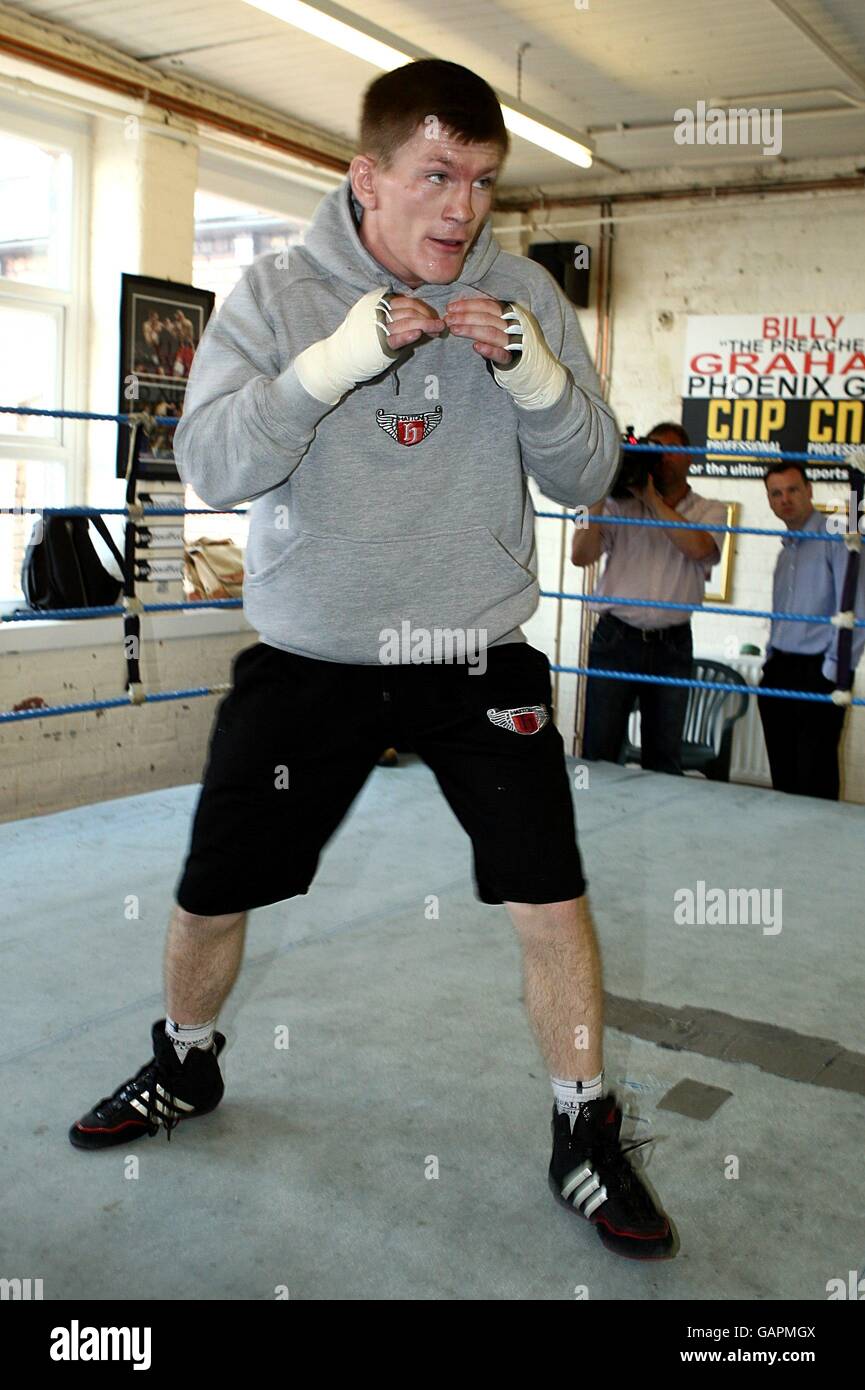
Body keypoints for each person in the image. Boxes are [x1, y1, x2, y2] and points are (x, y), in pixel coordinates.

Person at [69, 59, 675, 1261]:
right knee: (211, 889)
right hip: (309, 657)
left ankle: (581, 1124)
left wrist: (538, 377)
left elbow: (590, 471)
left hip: (475, 653)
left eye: (484, 182)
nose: (464, 208)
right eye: (437, 176)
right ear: (367, 177)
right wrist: (325, 368)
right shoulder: (278, 292)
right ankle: (184, 1066)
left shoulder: (523, 298)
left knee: (550, 899)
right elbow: (214, 468)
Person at [572, 422, 726, 774]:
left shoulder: (709, 509)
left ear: (690, 459)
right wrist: (597, 489)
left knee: (664, 753)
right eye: (653, 449)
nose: (661, 458)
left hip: (672, 644)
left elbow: (701, 548)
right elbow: (580, 556)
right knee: (600, 746)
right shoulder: (617, 504)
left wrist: (652, 500)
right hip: (615, 638)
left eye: (670, 449)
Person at [759, 462, 865, 799]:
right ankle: (786, 851)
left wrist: (832, 672)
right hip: (779, 671)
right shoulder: (786, 549)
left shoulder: (837, 534)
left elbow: (857, 610)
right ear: (770, 501)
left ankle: (815, 851)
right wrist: (770, 659)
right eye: (776, 493)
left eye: (792, 490)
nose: (785, 499)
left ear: (809, 491)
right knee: (783, 775)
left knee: (815, 778)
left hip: (817, 671)